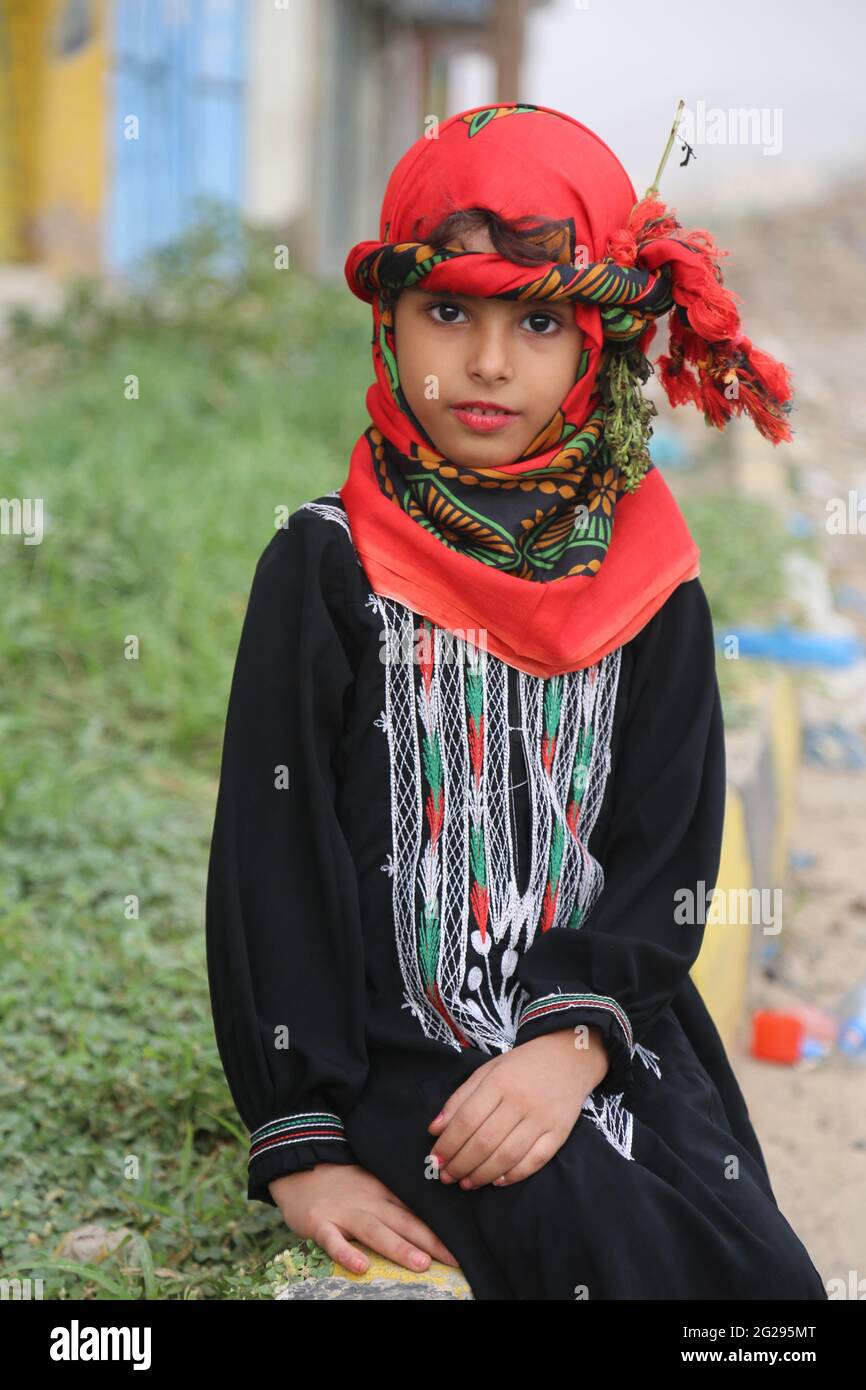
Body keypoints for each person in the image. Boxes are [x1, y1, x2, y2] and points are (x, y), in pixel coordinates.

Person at [205, 102, 827, 1300]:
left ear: (594, 344)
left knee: (762, 1282)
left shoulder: (646, 579)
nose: (486, 364)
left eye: (537, 320)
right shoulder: (326, 567)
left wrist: (573, 1041)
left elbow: (663, 847)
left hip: (601, 1035)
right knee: (611, 1250)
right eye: (448, 312)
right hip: (408, 1051)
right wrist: (302, 1146)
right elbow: (272, 859)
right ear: (386, 322)